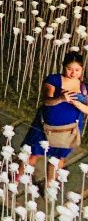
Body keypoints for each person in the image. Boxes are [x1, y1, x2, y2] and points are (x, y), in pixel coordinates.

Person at [19, 52, 88, 185]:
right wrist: (61, 98)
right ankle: (16, 181)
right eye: (69, 69)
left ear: (82, 69)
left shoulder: (84, 89)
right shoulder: (53, 80)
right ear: (63, 67)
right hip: (44, 127)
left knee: (57, 160)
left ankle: (50, 187)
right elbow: (46, 101)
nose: (73, 73)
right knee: (32, 154)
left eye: (77, 70)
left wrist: (78, 104)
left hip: (68, 132)